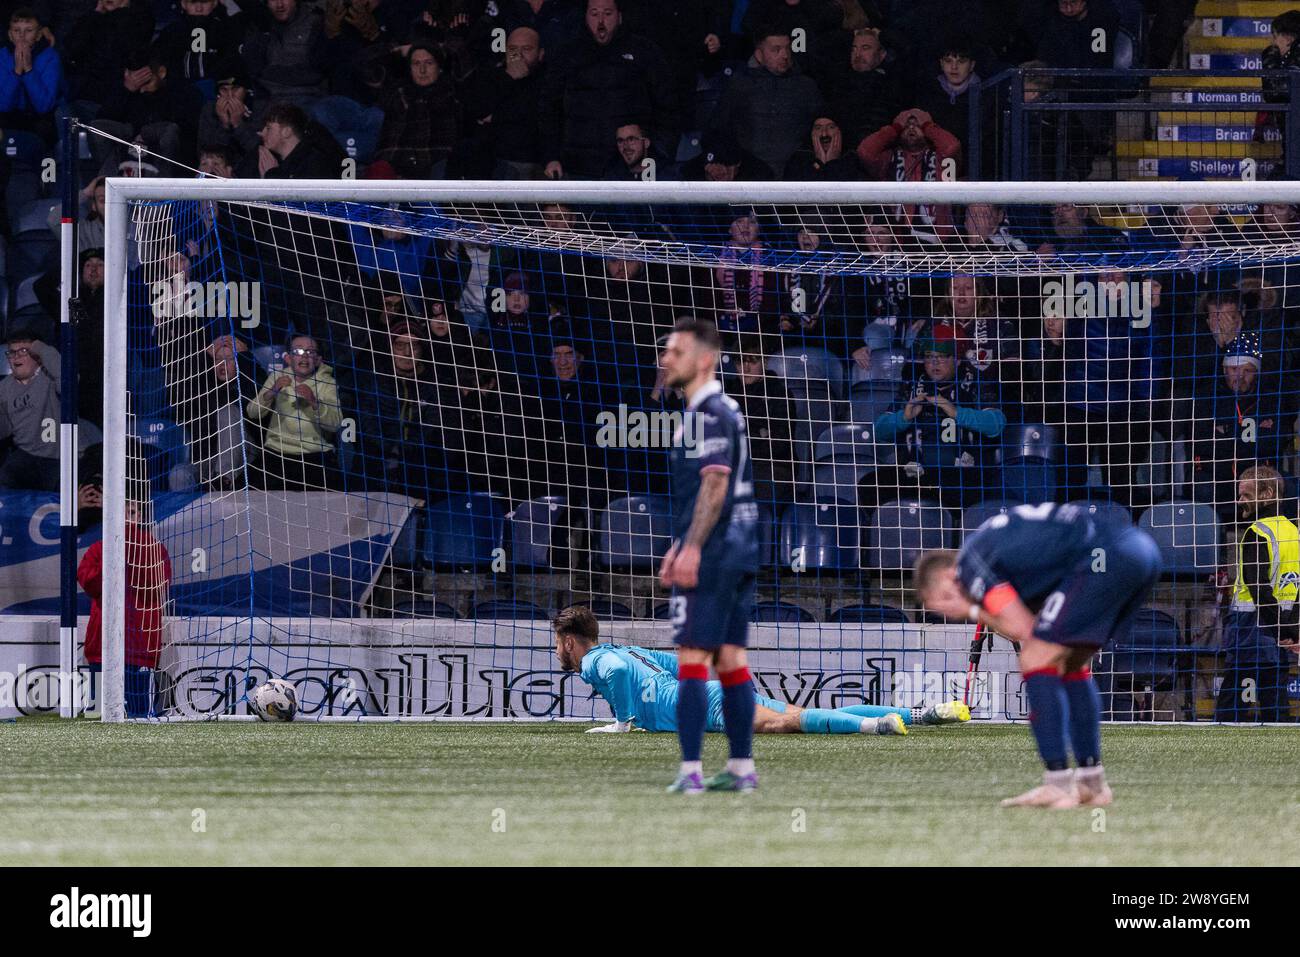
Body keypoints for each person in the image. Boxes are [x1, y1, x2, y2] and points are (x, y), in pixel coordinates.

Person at [913, 502, 1162, 807]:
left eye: (945, 601)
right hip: (1139, 552)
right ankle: (1092, 783)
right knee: (1071, 664)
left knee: (1034, 659)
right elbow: (1031, 625)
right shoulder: (1016, 561)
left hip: (1102, 558)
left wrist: (974, 609)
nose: (950, 613)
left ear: (950, 576)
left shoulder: (969, 562)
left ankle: (1057, 784)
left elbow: (1022, 631)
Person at [553, 606, 973, 735]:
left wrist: (625, 721)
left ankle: (877, 727)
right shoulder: (627, 649)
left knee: (782, 724)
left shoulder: (593, 660)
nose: (559, 650)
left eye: (559, 643)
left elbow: (617, 676)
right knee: (793, 709)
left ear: (570, 642)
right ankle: (921, 714)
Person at [655, 317, 761, 793]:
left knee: (692, 657)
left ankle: (690, 772)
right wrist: (681, 541)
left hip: (716, 550)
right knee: (732, 659)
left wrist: (692, 548)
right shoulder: (722, 410)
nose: (665, 360)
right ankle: (741, 768)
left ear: (703, 359)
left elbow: (715, 483)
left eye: (675, 352)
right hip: (738, 545)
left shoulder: (708, 413)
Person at [1215, 465, 1299, 722]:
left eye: (1246, 496)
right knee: (1276, 710)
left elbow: (1259, 589)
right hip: (1279, 636)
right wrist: (1291, 630)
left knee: (1230, 711)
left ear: (1267, 494)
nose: (1240, 501)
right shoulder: (1293, 532)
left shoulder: (1257, 532)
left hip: (1252, 631)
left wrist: (1282, 630)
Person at [78, 497, 172, 719]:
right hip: (103, 647)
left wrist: (129, 551)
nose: (127, 517)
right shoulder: (98, 549)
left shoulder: (154, 548)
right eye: (121, 512)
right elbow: (89, 584)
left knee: (140, 717)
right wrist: (114, 556)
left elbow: (158, 585)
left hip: (139, 647)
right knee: (98, 716)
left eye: (131, 512)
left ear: (140, 516)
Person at [246, 334, 343, 490]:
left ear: (318, 359)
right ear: (288, 358)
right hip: (277, 454)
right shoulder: (277, 377)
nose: (304, 356)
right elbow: (252, 412)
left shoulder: (327, 383)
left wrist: (314, 402)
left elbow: (335, 423)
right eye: (298, 351)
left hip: (315, 456)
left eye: (310, 352)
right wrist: (271, 392)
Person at [0, 331, 61, 492]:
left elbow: (69, 379)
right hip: (25, 454)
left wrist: (38, 346)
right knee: (6, 480)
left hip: (57, 457)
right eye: (12, 353)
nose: (16, 357)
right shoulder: (4, 387)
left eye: (23, 352)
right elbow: (4, 430)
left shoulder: (49, 378)